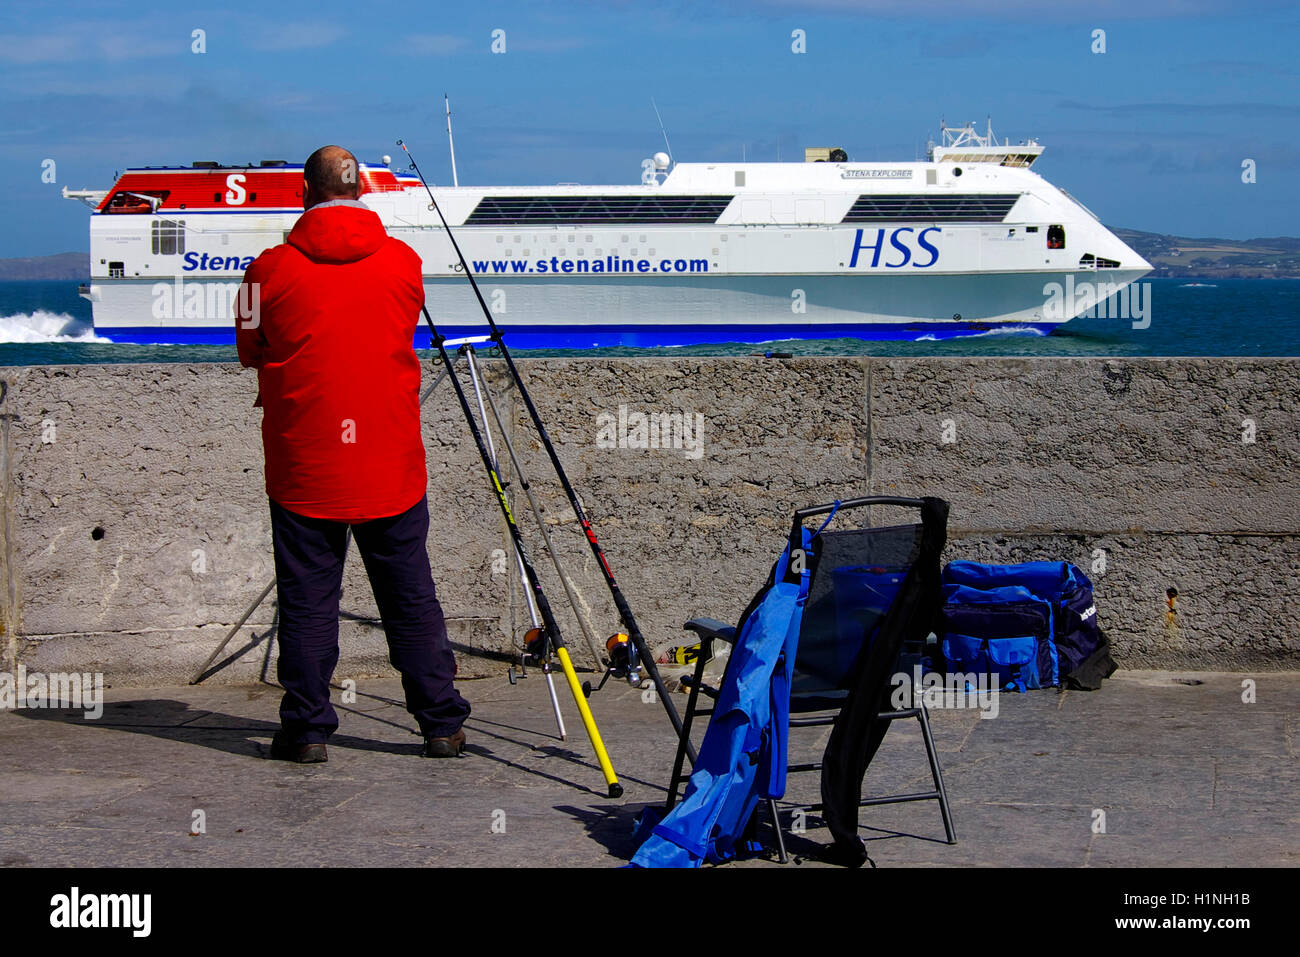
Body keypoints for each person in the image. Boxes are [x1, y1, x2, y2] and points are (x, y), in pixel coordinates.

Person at [235, 145, 470, 763]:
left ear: (304, 193)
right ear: (362, 189)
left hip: (305, 463)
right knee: (410, 595)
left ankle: (307, 729)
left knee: (309, 601)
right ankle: (441, 724)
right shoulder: (405, 261)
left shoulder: (266, 271)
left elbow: (249, 347)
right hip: (389, 458)